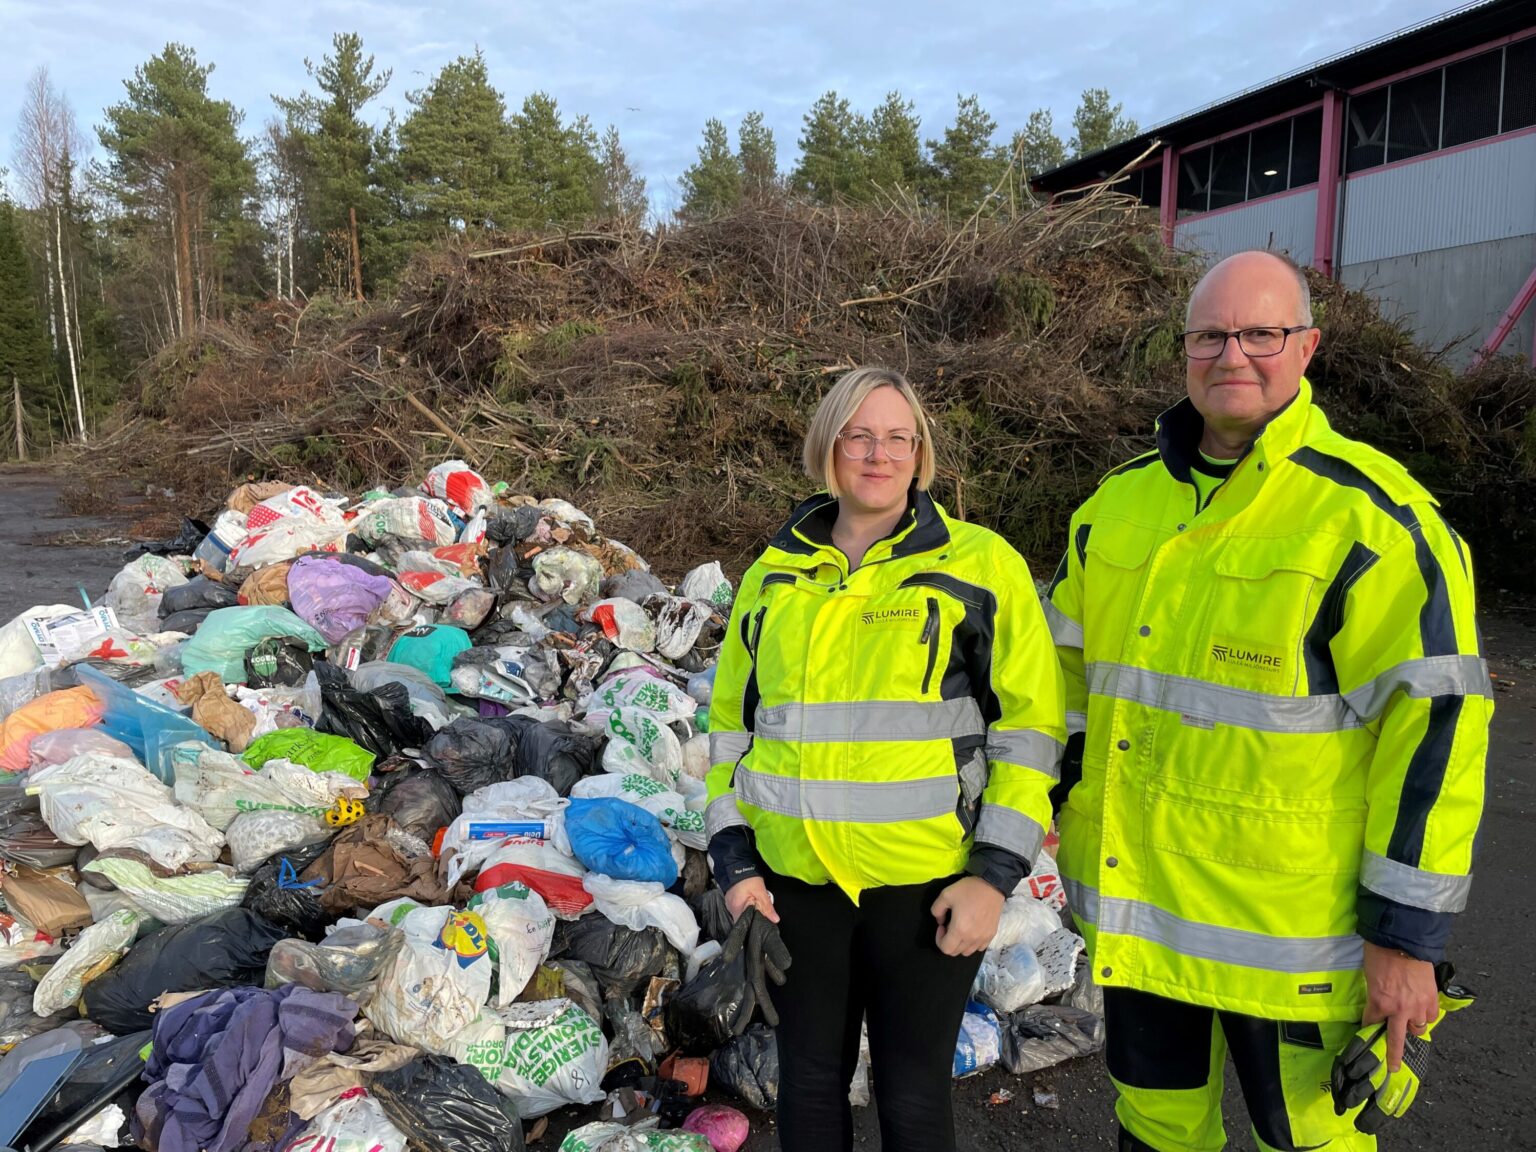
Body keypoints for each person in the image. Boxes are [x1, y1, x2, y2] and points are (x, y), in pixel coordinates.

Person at [1046, 250, 1491, 1151]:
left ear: (1308, 347)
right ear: (1183, 349)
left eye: (1261, 333)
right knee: (1154, 1131)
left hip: (1293, 944)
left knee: (1314, 1141)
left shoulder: (1371, 519)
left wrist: (1406, 942)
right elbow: (1058, 692)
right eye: (1210, 335)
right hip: (1143, 921)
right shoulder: (1115, 507)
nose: (1232, 355)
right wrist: (1032, 819)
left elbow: (1436, 736)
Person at [705, 366, 1066, 1152]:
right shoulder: (773, 574)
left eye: (899, 438)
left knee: (912, 1093)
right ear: (828, 448)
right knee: (807, 1083)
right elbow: (731, 729)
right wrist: (734, 863)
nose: (879, 455)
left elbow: (1030, 730)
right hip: (795, 885)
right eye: (860, 437)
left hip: (927, 885)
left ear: (920, 454)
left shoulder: (979, 565)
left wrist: (993, 877)